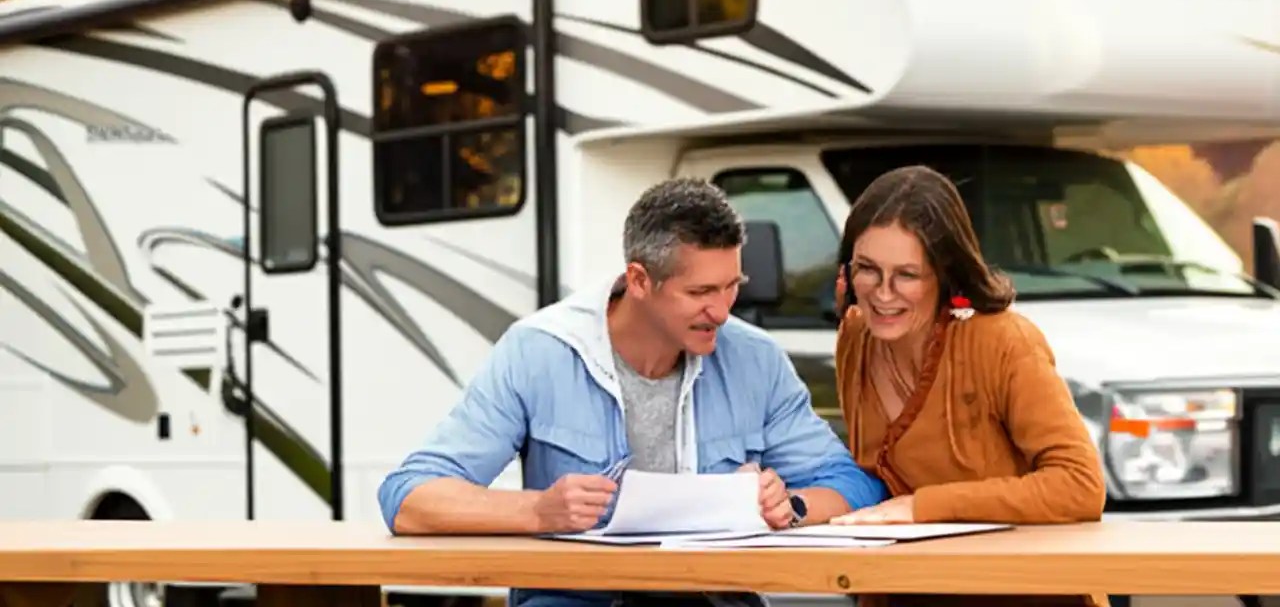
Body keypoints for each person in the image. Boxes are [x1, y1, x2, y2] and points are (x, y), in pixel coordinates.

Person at [378, 177, 888, 607]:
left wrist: (792, 505)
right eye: (700, 292)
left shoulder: (755, 359)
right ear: (640, 280)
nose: (722, 310)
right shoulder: (539, 351)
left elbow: (857, 486)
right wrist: (537, 511)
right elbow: (408, 498)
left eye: (732, 285)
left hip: (712, 601)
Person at [828, 165, 1107, 607]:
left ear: (944, 274)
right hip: (914, 592)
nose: (883, 294)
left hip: (1027, 596)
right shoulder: (855, 337)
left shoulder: (1003, 340)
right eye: (868, 270)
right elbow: (875, 489)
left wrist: (925, 506)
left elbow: (1079, 485)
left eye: (906, 274)